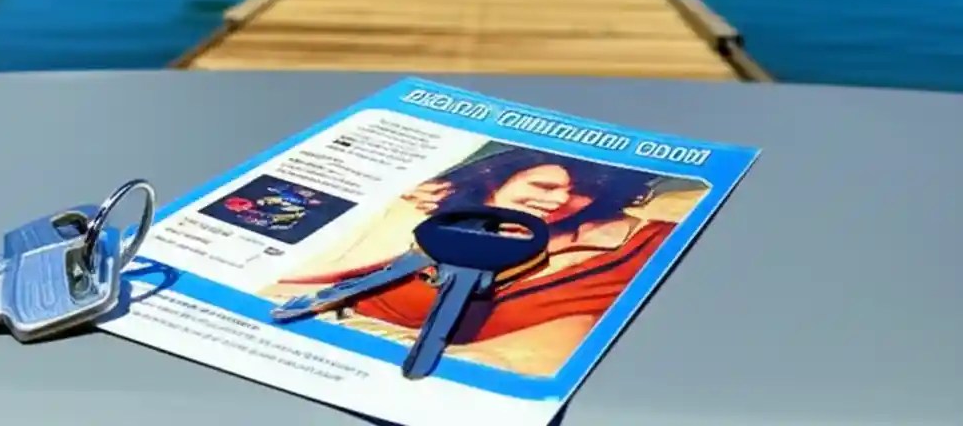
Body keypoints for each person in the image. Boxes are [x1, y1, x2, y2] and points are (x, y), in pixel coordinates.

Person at [263, 146, 692, 376]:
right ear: (496, 180)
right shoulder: (430, 217)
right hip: (334, 338)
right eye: (544, 185)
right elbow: (325, 275)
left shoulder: (646, 242)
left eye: (582, 192)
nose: (561, 200)